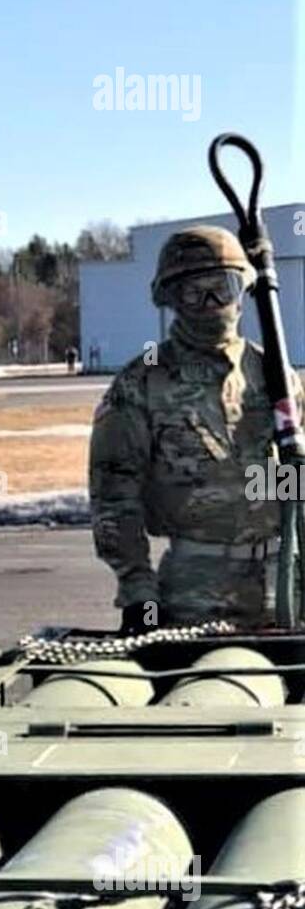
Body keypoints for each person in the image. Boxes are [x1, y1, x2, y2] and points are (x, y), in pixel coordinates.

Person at [89, 225, 299, 633]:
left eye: (221, 287)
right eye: (192, 291)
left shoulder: (278, 377)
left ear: (242, 292)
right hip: (194, 601)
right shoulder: (141, 385)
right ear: (169, 299)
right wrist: (137, 592)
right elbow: (114, 497)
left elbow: (299, 483)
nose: (209, 303)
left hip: (288, 591)